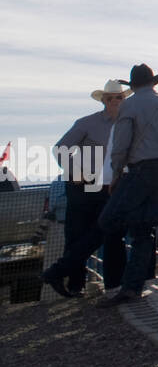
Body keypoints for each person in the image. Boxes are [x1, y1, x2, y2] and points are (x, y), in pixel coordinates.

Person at [96, 65, 158, 306]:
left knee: (108, 219)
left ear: (133, 84)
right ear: (153, 82)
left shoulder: (129, 105)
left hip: (139, 170)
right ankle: (131, 288)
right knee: (142, 232)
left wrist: (117, 172)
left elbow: (121, 144)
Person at [41, 79, 128, 298]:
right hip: (83, 185)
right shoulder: (87, 123)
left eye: (119, 97)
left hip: (107, 186)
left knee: (105, 231)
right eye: (111, 98)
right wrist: (75, 173)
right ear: (104, 101)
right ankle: (75, 285)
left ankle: (63, 275)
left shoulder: (128, 125)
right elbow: (60, 149)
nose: (115, 101)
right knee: (78, 232)